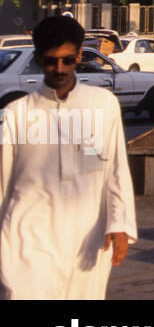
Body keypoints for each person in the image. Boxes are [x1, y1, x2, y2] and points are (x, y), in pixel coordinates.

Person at [0, 15, 137, 299]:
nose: (59, 69)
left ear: (78, 56)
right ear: (38, 59)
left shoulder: (102, 105)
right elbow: (2, 184)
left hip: (87, 236)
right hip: (28, 237)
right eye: (51, 61)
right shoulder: (17, 114)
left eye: (67, 60)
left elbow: (115, 170)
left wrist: (120, 223)